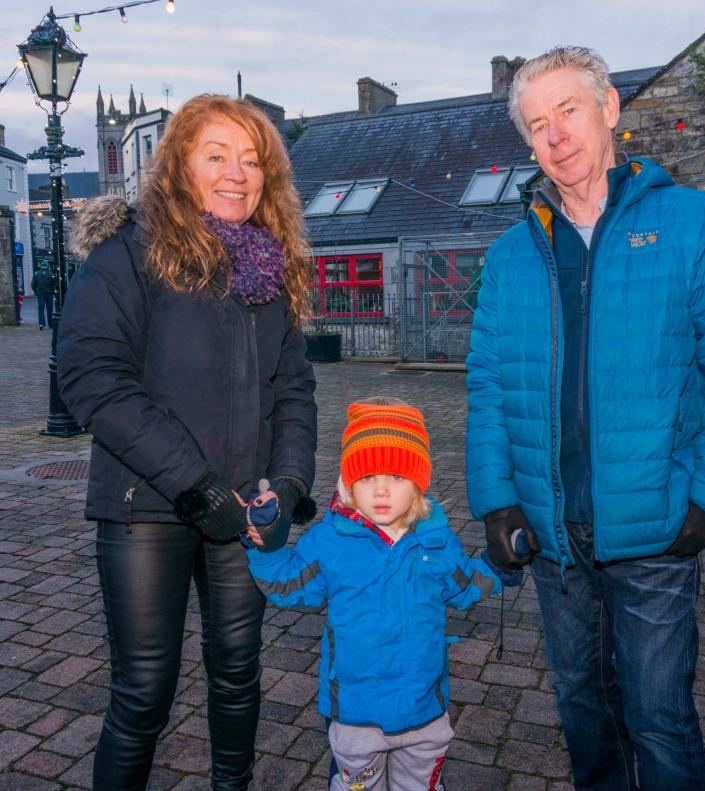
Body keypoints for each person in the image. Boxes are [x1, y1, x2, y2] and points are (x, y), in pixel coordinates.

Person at [465, 46, 705, 791]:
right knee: (582, 708)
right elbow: (487, 384)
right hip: (551, 537)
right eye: (537, 125)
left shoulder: (692, 224)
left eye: (567, 111)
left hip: (655, 529)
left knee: (658, 717)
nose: (555, 136)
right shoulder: (511, 255)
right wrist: (497, 499)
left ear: (609, 108)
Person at [57, 95, 317, 791]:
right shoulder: (129, 254)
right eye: (216, 156)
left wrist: (288, 485)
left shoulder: (270, 267)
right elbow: (93, 381)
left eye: (251, 160)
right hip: (148, 507)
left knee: (238, 673)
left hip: (246, 512)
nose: (237, 173)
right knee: (142, 692)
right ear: (178, 165)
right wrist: (198, 487)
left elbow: (293, 391)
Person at [246, 398, 504, 791]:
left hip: (424, 713)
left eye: (397, 477)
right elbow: (289, 583)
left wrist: (501, 567)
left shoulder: (435, 541)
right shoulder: (330, 541)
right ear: (349, 484)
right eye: (367, 478)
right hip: (355, 715)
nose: (381, 490)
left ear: (418, 484)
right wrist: (266, 546)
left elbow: (464, 585)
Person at [30, 259, 55, 329]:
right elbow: (54, 284)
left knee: (41, 308)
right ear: (47, 265)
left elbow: (32, 285)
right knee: (50, 309)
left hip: (40, 293)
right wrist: (53, 291)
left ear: (41, 265)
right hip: (49, 293)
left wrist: (36, 292)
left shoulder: (36, 274)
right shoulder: (51, 274)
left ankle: (41, 324)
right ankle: (50, 324)